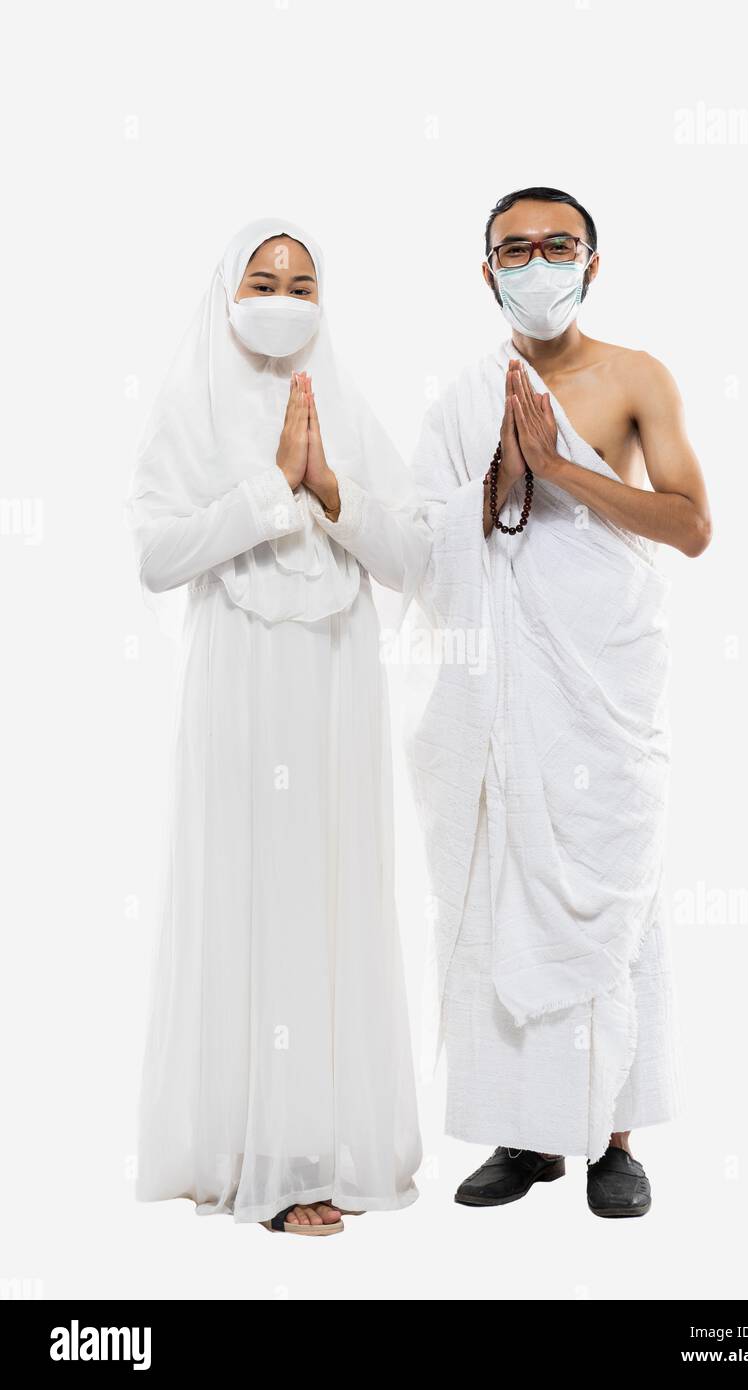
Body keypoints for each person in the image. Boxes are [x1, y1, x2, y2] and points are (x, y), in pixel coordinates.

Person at [408, 186, 711, 1217]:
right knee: (507, 888)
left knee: (613, 891)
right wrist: (506, 462)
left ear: (591, 260)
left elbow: (687, 524)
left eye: (555, 244)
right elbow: (428, 539)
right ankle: (524, 1136)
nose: (535, 262)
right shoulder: (465, 395)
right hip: (510, 693)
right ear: (485, 270)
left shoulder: (634, 379)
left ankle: (612, 1141)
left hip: (606, 683)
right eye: (512, 249)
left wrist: (556, 469)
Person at [127, 218, 429, 1235]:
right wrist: (269, 484)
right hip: (242, 682)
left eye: (304, 284)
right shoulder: (189, 403)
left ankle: (317, 1139)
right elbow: (157, 554)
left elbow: (409, 554)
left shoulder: (344, 405)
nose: (284, 298)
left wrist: (329, 483)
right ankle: (252, 1154)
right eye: (263, 278)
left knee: (329, 889)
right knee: (249, 886)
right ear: (226, 293)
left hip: (335, 679)